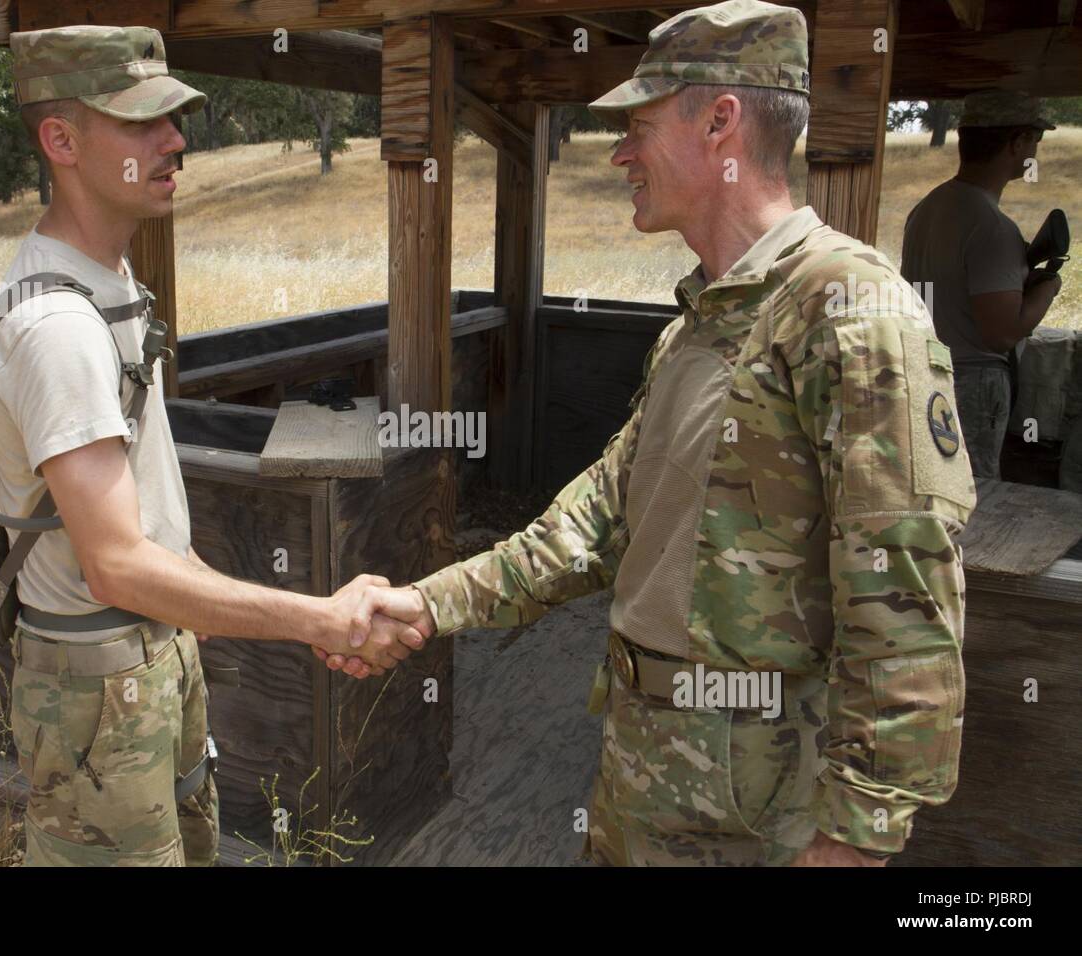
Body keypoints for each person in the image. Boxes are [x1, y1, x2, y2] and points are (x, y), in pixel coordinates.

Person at [328, 0, 977, 867]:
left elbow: (908, 609)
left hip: (761, 817)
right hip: (642, 782)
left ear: (720, 123)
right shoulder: (700, 321)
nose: (621, 153)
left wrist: (856, 841)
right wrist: (425, 603)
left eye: (637, 127)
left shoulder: (849, 311)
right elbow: (588, 529)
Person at [0, 25, 428, 866]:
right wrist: (319, 618)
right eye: (142, 124)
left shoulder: (109, 285)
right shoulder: (57, 327)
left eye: (174, 119)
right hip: (98, 687)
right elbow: (115, 565)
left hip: (146, 662)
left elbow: (144, 531)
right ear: (62, 141)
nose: (175, 141)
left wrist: (195, 618)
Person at [902, 89, 1063, 478]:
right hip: (971, 382)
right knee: (974, 492)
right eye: (1035, 141)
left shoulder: (927, 208)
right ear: (1017, 142)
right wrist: (1046, 288)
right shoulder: (992, 227)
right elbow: (1001, 334)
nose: (1035, 152)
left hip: (924, 369)